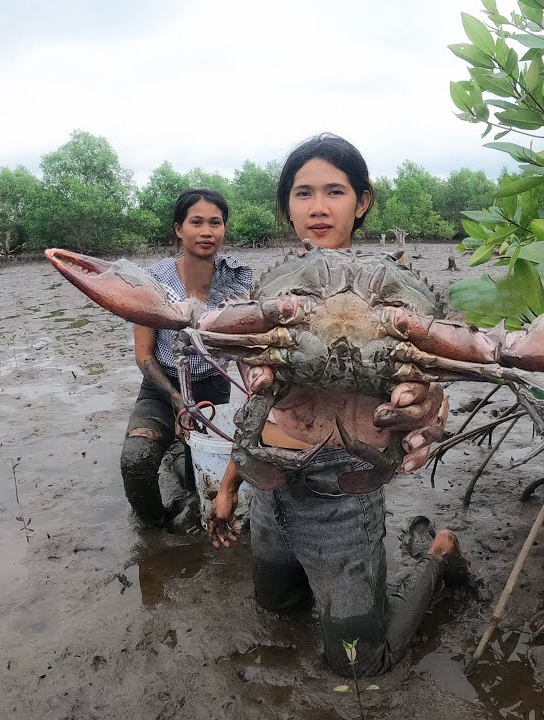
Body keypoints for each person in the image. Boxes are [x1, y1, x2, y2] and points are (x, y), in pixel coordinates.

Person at [207, 134, 469, 678]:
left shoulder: (397, 290)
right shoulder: (273, 289)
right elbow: (256, 403)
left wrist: (431, 414)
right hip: (267, 483)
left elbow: (435, 383)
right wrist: (230, 486)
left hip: (343, 495)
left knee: (359, 665)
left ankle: (438, 559)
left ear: (362, 201)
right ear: (286, 204)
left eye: (335, 191)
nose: (318, 207)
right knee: (276, 608)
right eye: (303, 193)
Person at [120, 188, 253, 533]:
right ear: (179, 229)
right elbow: (144, 357)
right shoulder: (151, 281)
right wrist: (179, 401)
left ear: (224, 228)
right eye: (196, 222)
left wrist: (255, 393)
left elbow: (244, 346)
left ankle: (182, 462)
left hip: (213, 385)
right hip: (161, 386)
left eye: (215, 223)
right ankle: (154, 530)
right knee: (136, 460)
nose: (207, 231)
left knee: (203, 475)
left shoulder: (237, 277)